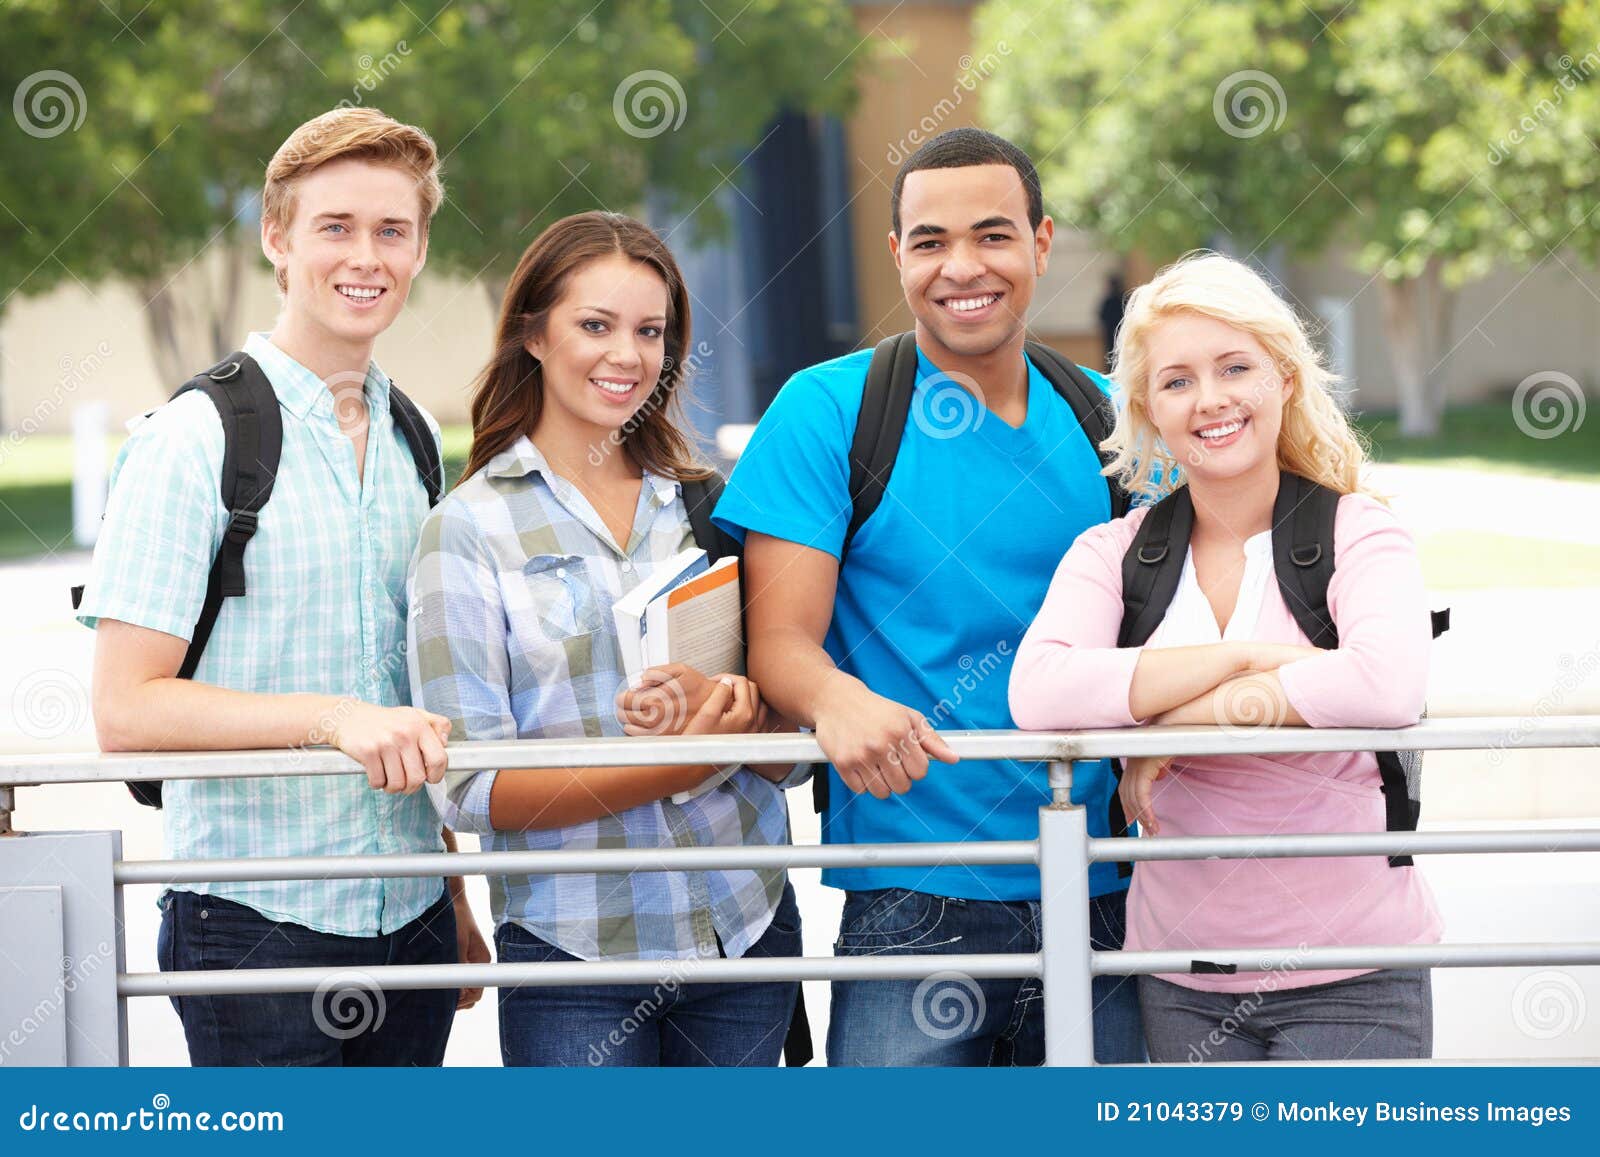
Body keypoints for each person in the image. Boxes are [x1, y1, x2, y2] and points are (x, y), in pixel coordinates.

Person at [711, 127, 1144, 1066]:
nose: (963, 267)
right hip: (913, 898)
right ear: (897, 254)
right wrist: (837, 699)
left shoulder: (1114, 420)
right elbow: (779, 643)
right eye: (931, 241)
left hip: (1103, 889)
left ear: (1041, 242)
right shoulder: (828, 411)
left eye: (993, 235)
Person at [76, 107, 488, 1066]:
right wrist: (334, 718)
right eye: (335, 227)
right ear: (277, 237)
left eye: (393, 230)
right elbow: (126, 710)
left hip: (413, 920)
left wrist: (454, 892)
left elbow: (408, 692)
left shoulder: (415, 438)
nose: (366, 256)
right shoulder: (193, 440)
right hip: (257, 922)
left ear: (421, 246)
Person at [1010, 251, 1442, 1062]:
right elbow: (1037, 692)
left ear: (1283, 377)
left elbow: (1386, 685)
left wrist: (1165, 725)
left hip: (1357, 970)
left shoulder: (1360, 532)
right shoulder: (1115, 553)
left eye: (1234, 367)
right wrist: (1244, 658)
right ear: (1148, 408)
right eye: (1176, 381)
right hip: (1182, 975)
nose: (1209, 400)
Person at [408, 210, 808, 1067]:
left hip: (743, 930)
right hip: (574, 957)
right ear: (533, 335)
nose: (626, 356)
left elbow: (789, 750)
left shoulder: (710, 505)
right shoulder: (467, 530)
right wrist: (684, 762)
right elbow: (469, 789)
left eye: (649, 331)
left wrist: (740, 713)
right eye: (595, 325)